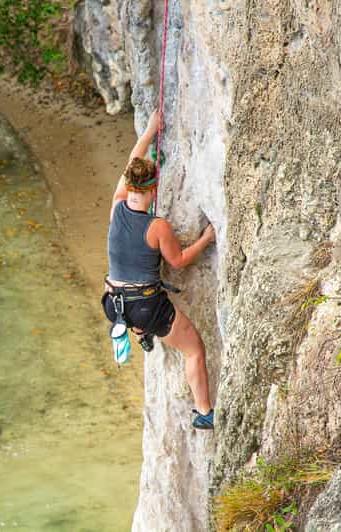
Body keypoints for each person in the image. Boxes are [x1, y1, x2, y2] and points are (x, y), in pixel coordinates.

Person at [102, 110, 216, 430]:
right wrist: (206, 239)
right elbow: (178, 261)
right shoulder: (156, 226)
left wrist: (150, 131)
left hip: (113, 303)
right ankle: (205, 412)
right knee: (194, 349)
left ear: (129, 185)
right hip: (146, 305)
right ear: (153, 189)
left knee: (138, 311)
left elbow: (132, 160)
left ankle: (140, 333)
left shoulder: (116, 206)